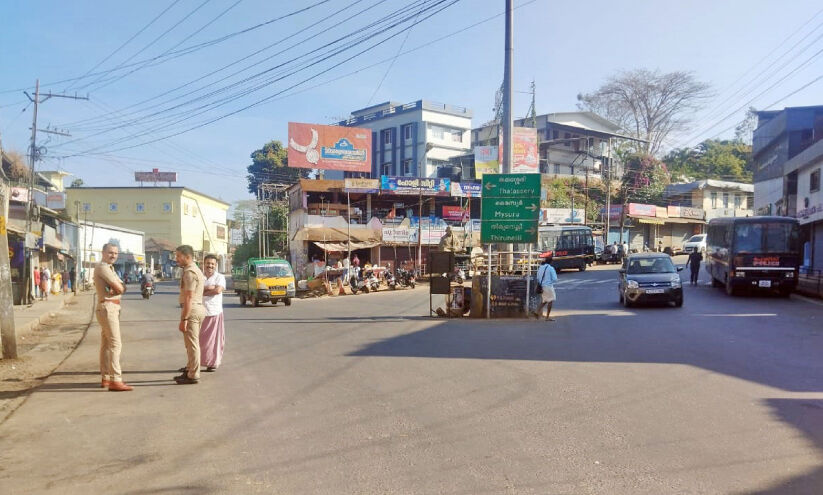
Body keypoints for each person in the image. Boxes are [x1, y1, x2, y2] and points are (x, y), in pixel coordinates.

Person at [93, 243, 133, 391]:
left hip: (110, 306)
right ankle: (116, 379)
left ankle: (106, 377)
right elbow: (120, 288)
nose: (113, 256)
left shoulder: (110, 268)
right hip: (108, 307)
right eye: (110, 253)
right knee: (116, 344)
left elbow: (122, 286)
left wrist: (119, 287)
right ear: (103, 253)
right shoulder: (103, 267)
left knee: (106, 345)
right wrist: (119, 288)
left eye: (115, 253)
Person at [174, 245, 206, 385]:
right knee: (190, 344)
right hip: (196, 308)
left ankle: (193, 374)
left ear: (187, 257)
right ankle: (189, 369)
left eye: (178, 256)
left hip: (192, 310)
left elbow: (189, 297)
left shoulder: (190, 273)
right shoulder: (195, 269)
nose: (176, 259)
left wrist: (184, 319)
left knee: (192, 344)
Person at [200, 255, 226, 372]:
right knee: (200, 340)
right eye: (208, 263)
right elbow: (194, 289)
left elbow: (218, 290)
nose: (210, 266)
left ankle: (213, 363)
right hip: (200, 312)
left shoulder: (220, 277)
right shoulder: (200, 277)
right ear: (204, 264)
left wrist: (203, 292)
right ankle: (197, 362)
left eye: (212, 264)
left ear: (216, 265)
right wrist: (209, 287)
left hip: (214, 312)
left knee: (213, 340)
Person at [532, 252, 558, 321]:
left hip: (542, 287)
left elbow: (538, 277)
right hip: (548, 286)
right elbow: (555, 279)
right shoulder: (550, 268)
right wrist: (549, 281)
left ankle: (536, 311)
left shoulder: (540, 268)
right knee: (550, 300)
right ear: (551, 262)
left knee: (545, 300)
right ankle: (547, 317)